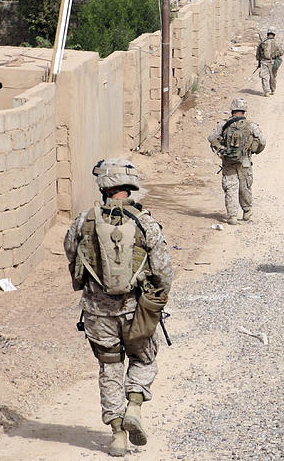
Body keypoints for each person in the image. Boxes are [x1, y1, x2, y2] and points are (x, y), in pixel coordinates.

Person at [64, 158, 175, 457]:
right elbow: (163, 269)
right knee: (144, 358)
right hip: (135, 310)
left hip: (98, 313)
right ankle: (135, 405)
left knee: (110, 367)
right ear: (130, 186)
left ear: (103, 187)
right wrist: (157, 300)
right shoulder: (145, 222)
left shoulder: (84, 220)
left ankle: (116, 436)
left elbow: (72, 256)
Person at [207, 98, 267, 225]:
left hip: (228, 160)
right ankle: (247, 212)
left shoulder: (223, 124)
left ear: (232, 110)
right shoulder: (251, 125)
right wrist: (255, 150)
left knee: (230, 187)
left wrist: (222, 150)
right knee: (245, 187)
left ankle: (232, 216)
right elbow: (262, 141)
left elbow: (211, 138)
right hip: (245, 161)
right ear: (244, 110)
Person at [256, 27, 284, 96]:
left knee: (264, 77)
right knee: (273, 76)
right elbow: (281, 52)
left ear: (268, 34)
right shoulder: (277, 43)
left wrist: (259, 60)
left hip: (264, 61)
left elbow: (258, 54)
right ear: (274, 34)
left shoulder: (263, 42)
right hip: (273, 62)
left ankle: (266, 91)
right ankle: (273, 90)